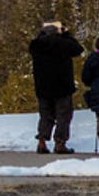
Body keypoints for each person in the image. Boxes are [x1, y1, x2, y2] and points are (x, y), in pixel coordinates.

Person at [27, 21, 84, 154]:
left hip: (43, 86)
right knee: (63, 115)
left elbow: (36, 41)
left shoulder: (36, 45)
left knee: (46, 115)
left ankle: (42, 140)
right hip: (62, 85)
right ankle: (60, 142)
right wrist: (66, 34)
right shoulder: (63, 43)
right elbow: (78, 49)